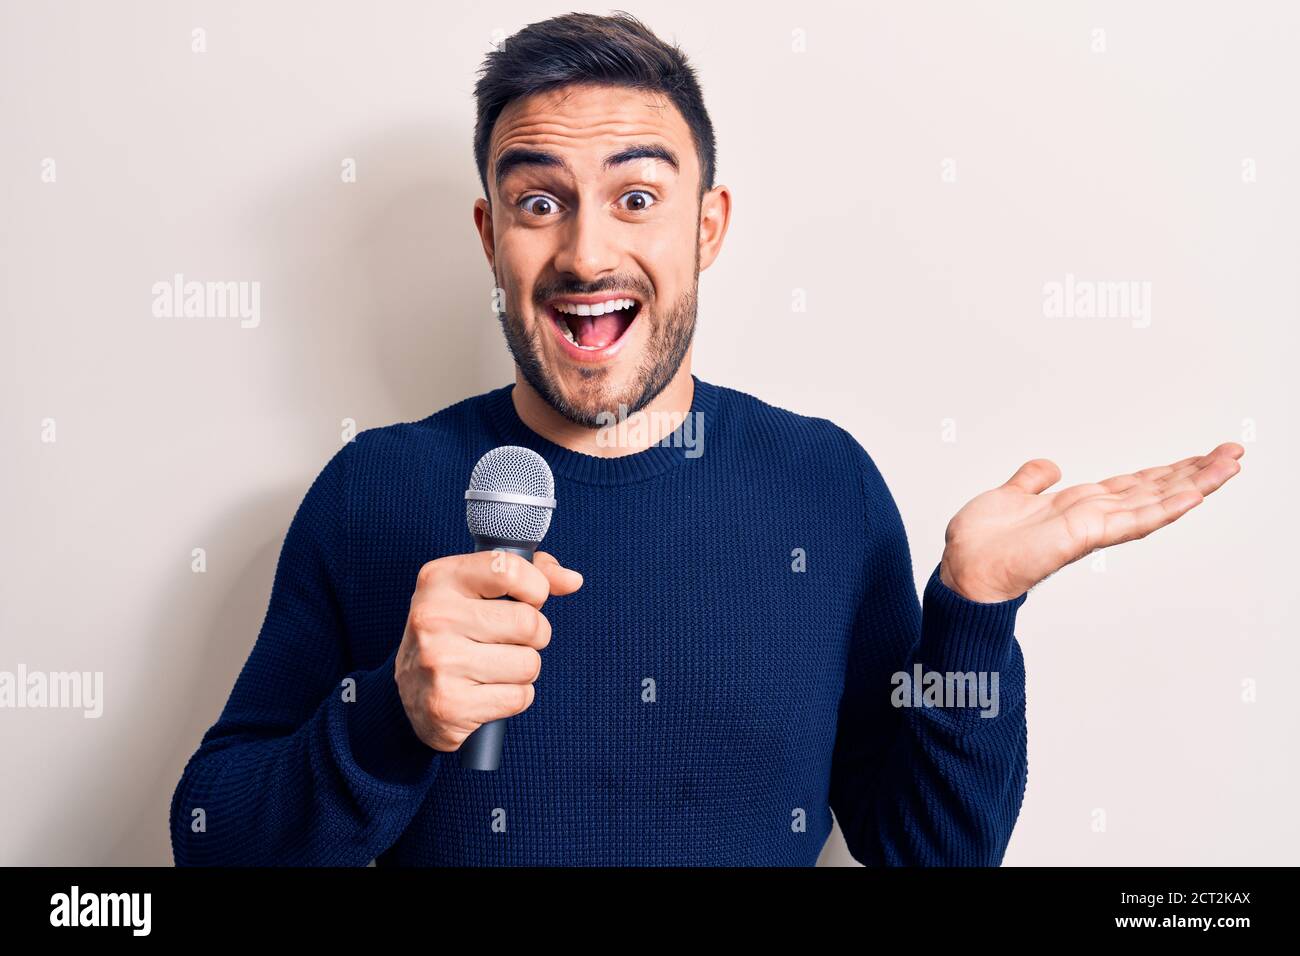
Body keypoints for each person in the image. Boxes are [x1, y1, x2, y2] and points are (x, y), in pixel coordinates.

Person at [169, 11, 1243, 866]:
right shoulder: (374, 489)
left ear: (707, 228)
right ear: (492, 237)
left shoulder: (823, 487)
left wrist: (972, 614)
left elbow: (930, 852)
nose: (588, 251)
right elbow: (208, 840)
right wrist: (387, 718)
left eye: (636, 196)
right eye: (540, 201)